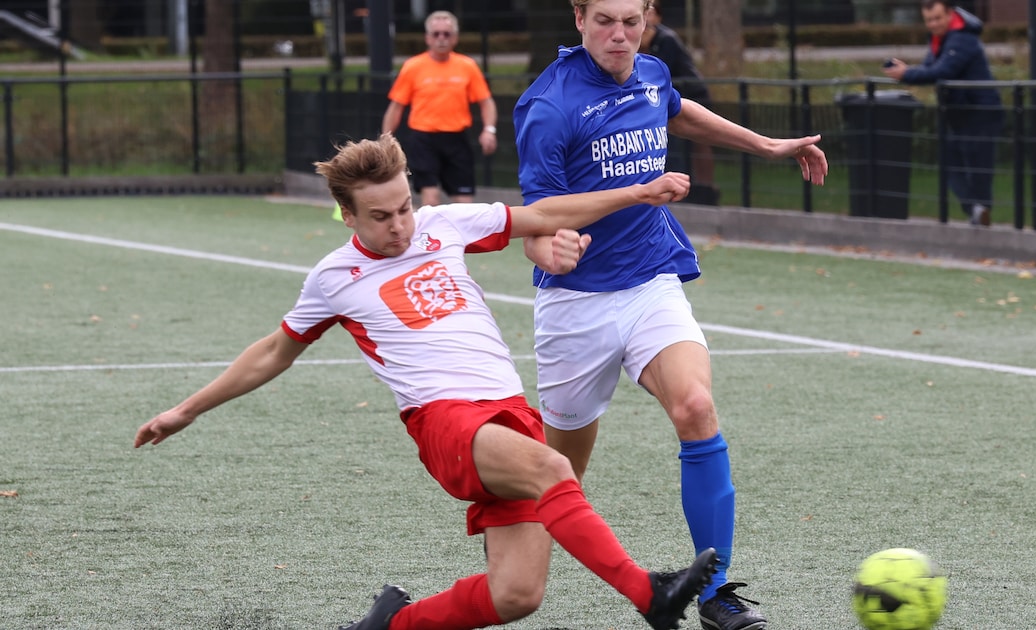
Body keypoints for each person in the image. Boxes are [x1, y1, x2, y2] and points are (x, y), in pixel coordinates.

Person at [133, 133, 719, 630]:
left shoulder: (445, 224)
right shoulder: (334, 277)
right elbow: (272, 352)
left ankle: (389, 626)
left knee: (517, 594)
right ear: (348, 215)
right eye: (380, 217)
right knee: (553, 469)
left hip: (509, 411)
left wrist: (638, 192)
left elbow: (545, 216)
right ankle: (650, 596)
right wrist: (188, 409)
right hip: (444, 420)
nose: (399, 226)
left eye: (404, 208)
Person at [513, 1, 828, 629]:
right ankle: (512, 568)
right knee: (561, 470)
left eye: (631, 21)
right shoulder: (548, 105)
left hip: (651, 283)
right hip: (575, 305)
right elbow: (536, 221)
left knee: (696, 408)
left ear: (648, 20)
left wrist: (765, 144)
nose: (619, 35)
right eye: (604, 20)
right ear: (579, 19)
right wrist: (551, 248)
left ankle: (715, 593)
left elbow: (677, 111)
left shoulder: (652, 73)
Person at [883, 0, 1003, 227]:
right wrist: (907, 70)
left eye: (937, 18)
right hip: (959, 113)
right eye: (929, 20)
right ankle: (976, 210)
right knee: (950, 164)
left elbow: (943, 71)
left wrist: (907, 74)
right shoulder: (941, 38)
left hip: (980, 112)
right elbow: (930, 67)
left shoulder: (963, 38)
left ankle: (980, 210)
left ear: (950, 15)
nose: (933, 24)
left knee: (977, 166)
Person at [381, 10, 497, 207]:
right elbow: (397, 106)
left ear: (455, 38)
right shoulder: (413, 66)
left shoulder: (467, 66)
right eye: (436, 34)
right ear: (428, 38)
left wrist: (489, 130)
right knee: (431, 198)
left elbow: (486, 102)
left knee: (464, 203)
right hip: (424, 140)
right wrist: (386, 138)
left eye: (447, 34)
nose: (441, 39)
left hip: (456, 139)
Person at [639, 0, 718, 205]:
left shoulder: (666, 39)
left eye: (650, 12)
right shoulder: (639, 39)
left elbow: (656, 72)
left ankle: (705, 191)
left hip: (692, 94)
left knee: (700, 143)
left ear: (658, 17)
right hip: (670, 99)